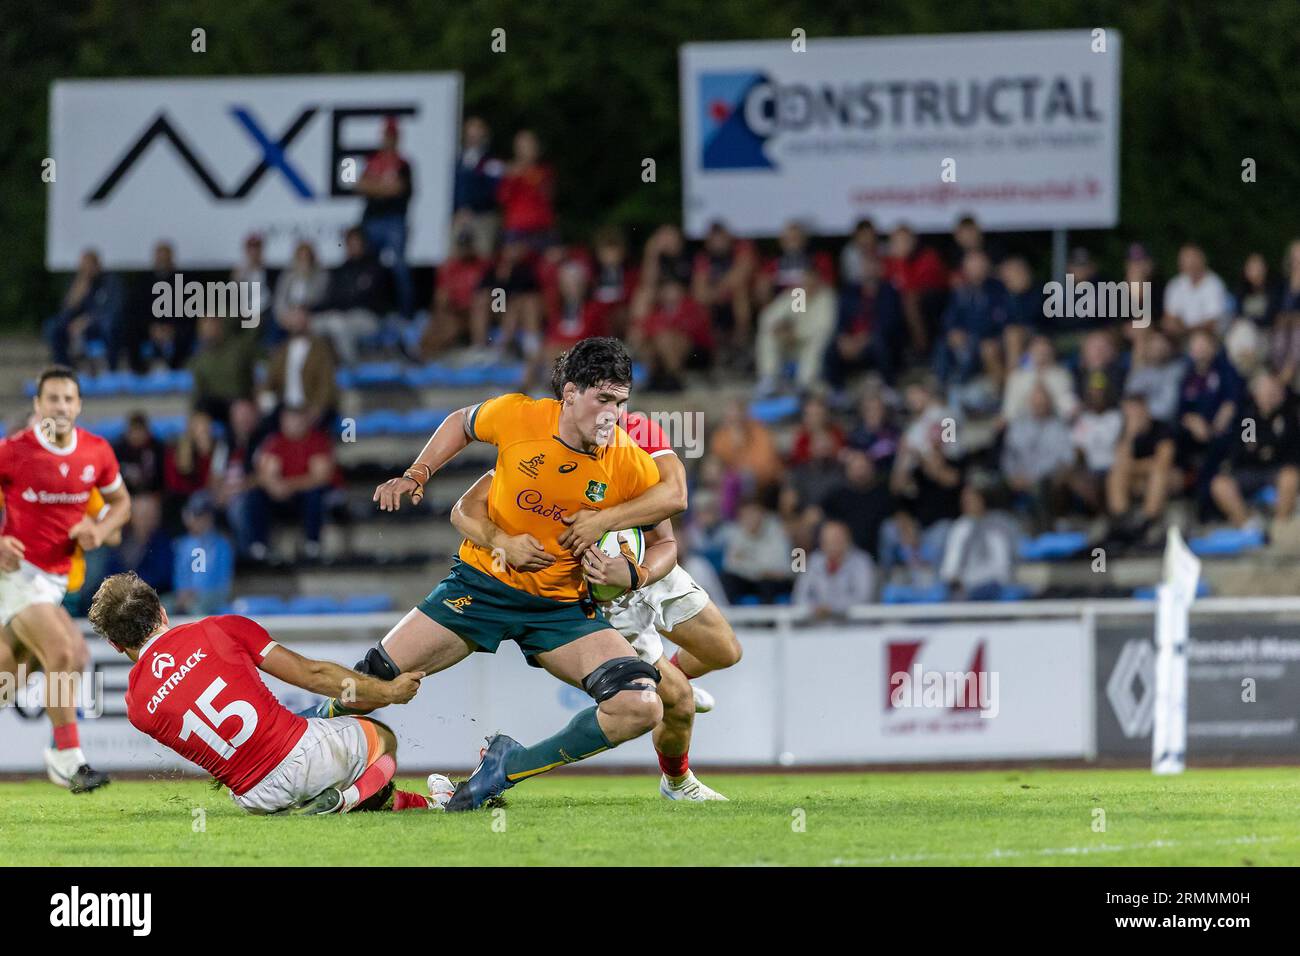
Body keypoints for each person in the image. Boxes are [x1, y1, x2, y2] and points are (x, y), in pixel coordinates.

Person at [313, 338, 688, 811]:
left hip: (561, 611)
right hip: (481, 586)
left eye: (621, 401)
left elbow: (667, 542)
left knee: (640, 705)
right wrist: (419, 473)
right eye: (603, 400)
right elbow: (459, 424)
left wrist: (632, 574)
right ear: (570, 394)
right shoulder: (520, 416)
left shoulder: (626, 461)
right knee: (370, 681)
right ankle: (286, 748)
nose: (613, 415)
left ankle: (505, 766)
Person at [88, 571, 435, 814]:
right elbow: (312, 673)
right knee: (382, 738)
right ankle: (346, 799)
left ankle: (400, 803)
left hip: (256, 797)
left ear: (116, 645)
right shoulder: (220, 628)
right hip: (306, 757)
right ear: (161, 610)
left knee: (329, 758)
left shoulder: (136, 706)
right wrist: (388, 691)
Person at [0, 366, 131, 791]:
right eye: (51, 398)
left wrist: (101, 530)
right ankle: (67, 758)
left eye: (67, 398)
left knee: (14, 670)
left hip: (54, 583)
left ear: (79, 405)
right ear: (37, 406)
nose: (60, 406)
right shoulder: (13, 451)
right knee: (68, 651)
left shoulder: (95, 453)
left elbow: (121, 505)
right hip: (15, 575)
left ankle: (65, 756)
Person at [355, 116, 414, 319]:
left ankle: (405, 314)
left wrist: (375, 187)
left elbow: (399, 189)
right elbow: (360, 186)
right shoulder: (372, 161)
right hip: (372, 220)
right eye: (386, 135)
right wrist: (383, 187)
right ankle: (372, 311)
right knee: (369, 268)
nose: (389, 139)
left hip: (394, 221)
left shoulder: (403, 163)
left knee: (399, 267)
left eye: (392, 136)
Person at [792, 520, 875, 617]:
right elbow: (799, 595)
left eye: (836, 538)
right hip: (816, 625)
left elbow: (863, 597)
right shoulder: (813, 560)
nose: (832, 543)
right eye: (827, 539)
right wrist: (813, 608)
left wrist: (831, 608)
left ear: (847, 539)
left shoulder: (862, 561)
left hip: (854, 626)